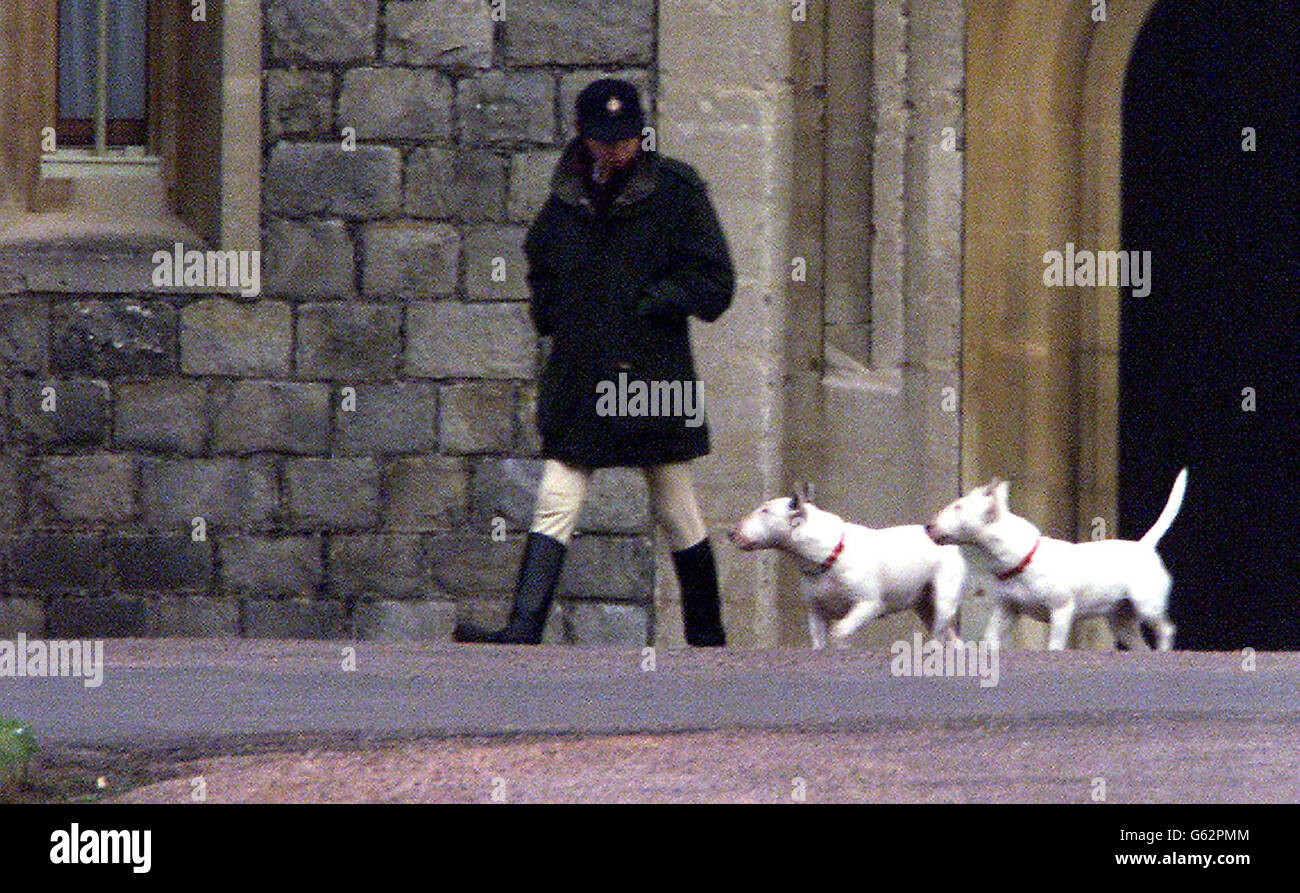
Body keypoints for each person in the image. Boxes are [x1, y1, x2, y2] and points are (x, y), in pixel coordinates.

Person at [454, 78, 736, 646]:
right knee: (558, 494)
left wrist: (658, 302)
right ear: (583, 136)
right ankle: (524, 626)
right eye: (605, 140)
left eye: (627, 138)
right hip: (582, 372)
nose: (617, 149)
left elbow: (716, 282)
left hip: (653, 373)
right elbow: (541, 262)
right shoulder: (564, 200)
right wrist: (554, 316)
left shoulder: (677, 192)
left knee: (675, 505)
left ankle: (708, 639)